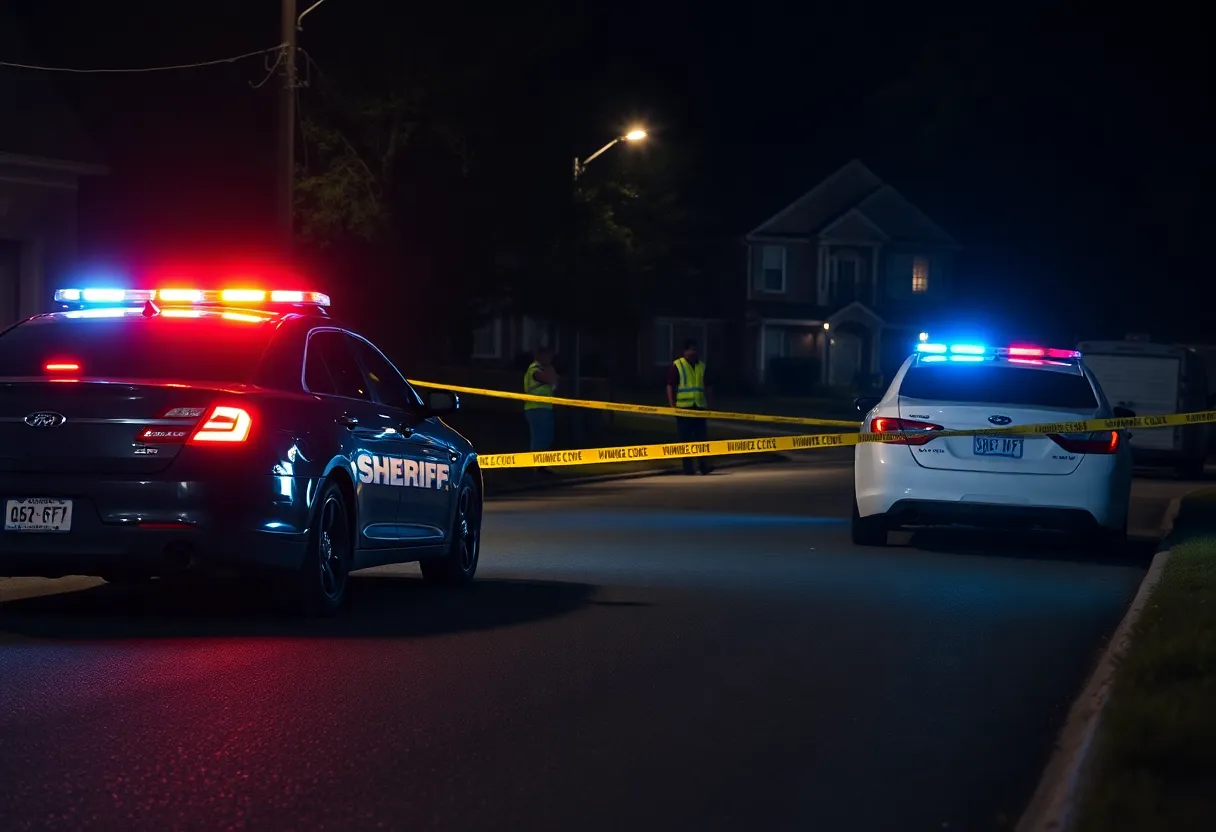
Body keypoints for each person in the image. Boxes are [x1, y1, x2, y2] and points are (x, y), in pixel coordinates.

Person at [667, 339, 713, 475]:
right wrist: (672, 405)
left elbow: (708, 386)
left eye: (695, 349)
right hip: (684, 408)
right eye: (691, 349)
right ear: (685, 351)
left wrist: (710, 403)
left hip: (699, 407)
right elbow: (670, 385)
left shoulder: (702, 366)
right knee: (686, 439)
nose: (693, 352)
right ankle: (688, 468)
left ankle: (703, 466)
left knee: (701, 438)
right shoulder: (677, 365)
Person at [523, 346, 558, 452]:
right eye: (548, 356)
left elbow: (555, 383)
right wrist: (551, 371)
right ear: (541, 356)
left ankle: (543, 464)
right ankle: (537, 465)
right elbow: (549, 379)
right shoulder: (534, 369)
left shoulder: (545, 368)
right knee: (539, 439)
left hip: (545, 408)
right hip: (536, 409)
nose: (550, 359)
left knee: (548, 438)